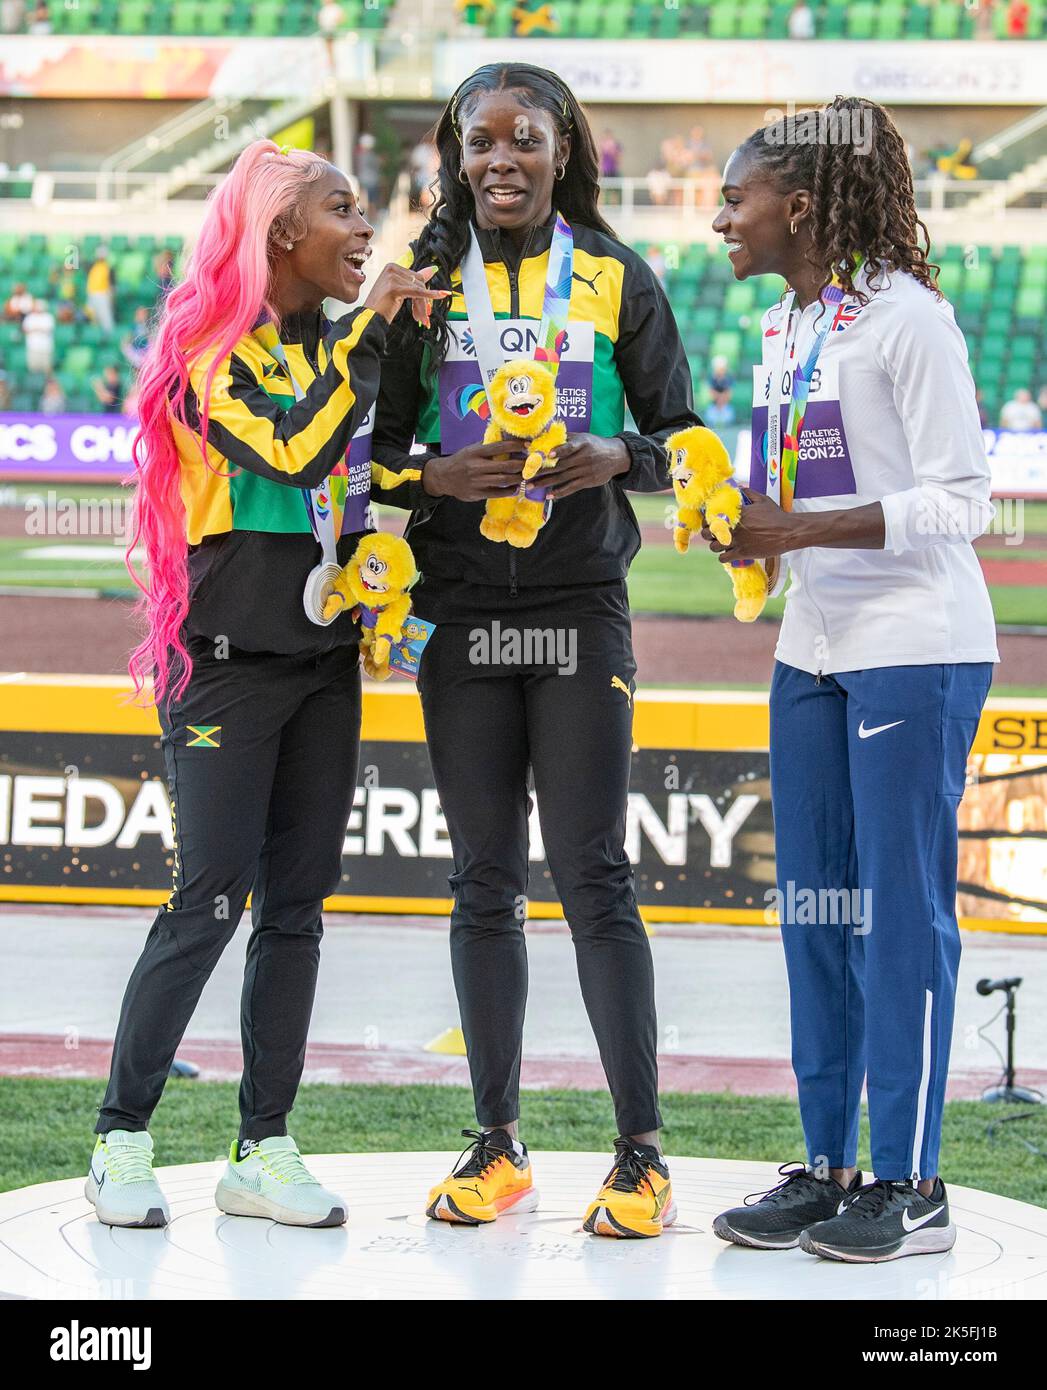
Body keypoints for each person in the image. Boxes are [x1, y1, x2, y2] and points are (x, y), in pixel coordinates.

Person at [84, 139, 445, 1230]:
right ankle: (121, 1136)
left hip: (326, 670)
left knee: (296, 911)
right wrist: (374, 330)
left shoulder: (329, 346)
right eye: (344, 209)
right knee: (208, 901)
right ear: (280, 232)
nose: (364, 228)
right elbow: (290, 451)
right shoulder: (206, 351)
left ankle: (264, 1144)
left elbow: (373, 463)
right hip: (227, 676)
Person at [371, 61, 701, 1239]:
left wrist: (621, 454)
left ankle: (641, 1155)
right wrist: (429, 477)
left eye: (525, 140)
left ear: (566, 150)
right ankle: (498, 1141)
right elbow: (372, 448)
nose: (499, 160)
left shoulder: (617, 276)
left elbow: (683, 436)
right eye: (478, 141)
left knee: (595, 876)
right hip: (458, 615)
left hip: (577, 611)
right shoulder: (418, 292)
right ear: (454, 156)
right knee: (482, 884)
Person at [708, 97, 998, 1263]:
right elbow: (799, 491)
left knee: (899, 919)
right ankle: (828, 1167)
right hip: (813, 647)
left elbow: (968, 497)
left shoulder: (908, 320)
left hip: (915, 646)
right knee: (815, 910)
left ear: (804, 207)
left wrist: (800, 528)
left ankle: (911, 1182)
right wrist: (751, 529)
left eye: (738, 197)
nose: (722, 216)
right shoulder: (790, 325)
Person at [86, 247, 116, 336]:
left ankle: (109, 336)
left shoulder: (108, 268)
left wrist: (110, 296)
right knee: (93, 318)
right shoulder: (94, 266)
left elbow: (112, 285)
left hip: (102, 295)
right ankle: (94, 336)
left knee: (106, 318)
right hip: (92, 295)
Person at [21, 297, 54, 374]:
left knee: (47, 369)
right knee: (33, 368)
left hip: (46, 347)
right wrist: (37, 329)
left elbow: (47, 329)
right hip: (32, 347)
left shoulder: (48, 317)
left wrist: (35, 329)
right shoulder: (30, 317)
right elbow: (25, 329)